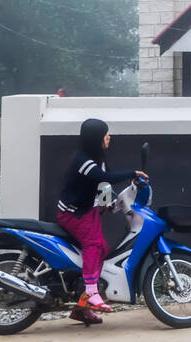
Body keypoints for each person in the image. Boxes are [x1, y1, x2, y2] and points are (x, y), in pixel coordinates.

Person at [55, 117, 148, 324]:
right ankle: (90, 292)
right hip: (73, 213)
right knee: (94, 246)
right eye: (105, 134)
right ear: (95, 138)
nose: (109, 137)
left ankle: (82, 309)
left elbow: (103, 182)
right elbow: (100, 176)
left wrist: (107, 204)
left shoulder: (98, 160)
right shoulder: (84, 161)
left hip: (87, 210)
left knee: (102, 249)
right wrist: (133, 173)